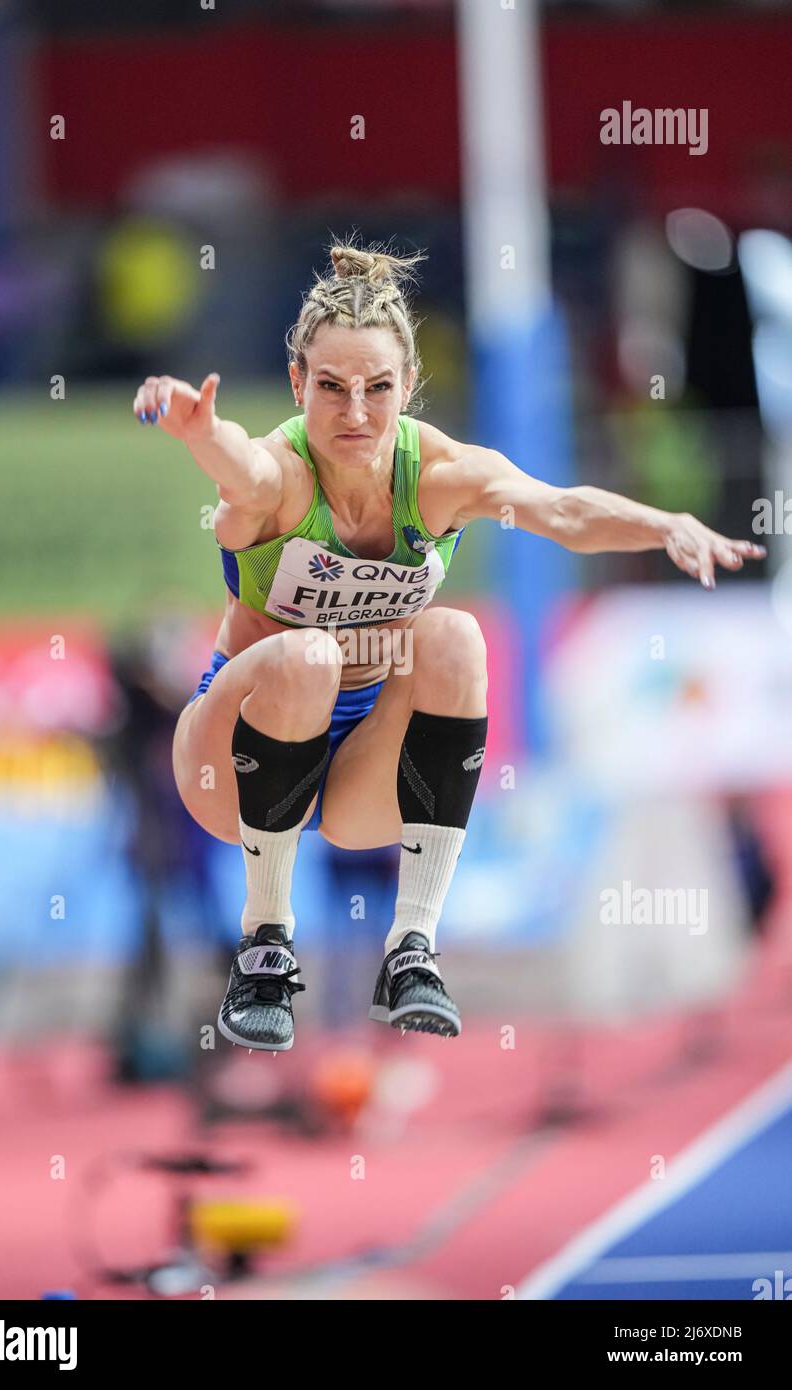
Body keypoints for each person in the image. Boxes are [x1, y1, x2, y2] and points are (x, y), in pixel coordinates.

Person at [132, 239, 765, 1052]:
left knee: (459, 636)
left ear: (407, 389)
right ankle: (265, 948)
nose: (355, 413)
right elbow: (238, 472)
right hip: (229, 765)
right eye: (330, 388)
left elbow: (562, 511)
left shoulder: (438, 476)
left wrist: (663, 522)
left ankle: (413, 950)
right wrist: (199, 432)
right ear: (298, 384)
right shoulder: (280, 476)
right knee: (308, 656)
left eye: (377, 389)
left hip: (361, 770)